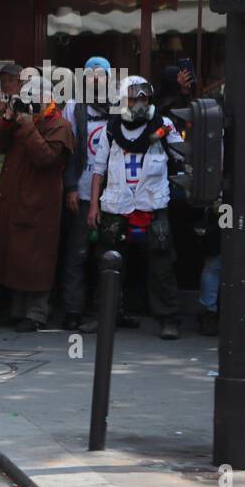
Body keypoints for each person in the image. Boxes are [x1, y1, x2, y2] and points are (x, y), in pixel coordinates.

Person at [85, 76, 183, 339]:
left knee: (162, 264)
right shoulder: (110, 128)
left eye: (143, 97)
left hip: (153, 203)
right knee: (109, 263)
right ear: (121, 100)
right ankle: (107, 315)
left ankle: (168, 318)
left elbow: (183, 155)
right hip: (117, 204)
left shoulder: (163, 125)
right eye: (132, 97)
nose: (139, 103)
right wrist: (93, 205)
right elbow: (98, 169)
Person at [0, 80, 74, 332]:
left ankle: (37, 313)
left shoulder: (60, 125)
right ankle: (17, 310)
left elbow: (46, 158)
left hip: (40, 206)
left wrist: (26, 126)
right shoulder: (22, 120)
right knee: (15, 258)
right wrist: (7, 117)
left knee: (36, 260)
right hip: (14, 202)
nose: (31, 101)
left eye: (35, 96)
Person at [60, 56, 113, 331]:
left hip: (113, 193)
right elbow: (67, 151)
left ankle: (110, 310)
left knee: (109, 255)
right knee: (77, 254)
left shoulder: (118, 107)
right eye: (90, 73)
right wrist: (69, 186)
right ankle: (73, 310)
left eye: (100, 74)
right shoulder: (72, 107)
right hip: (80, 191)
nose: (95, 78)